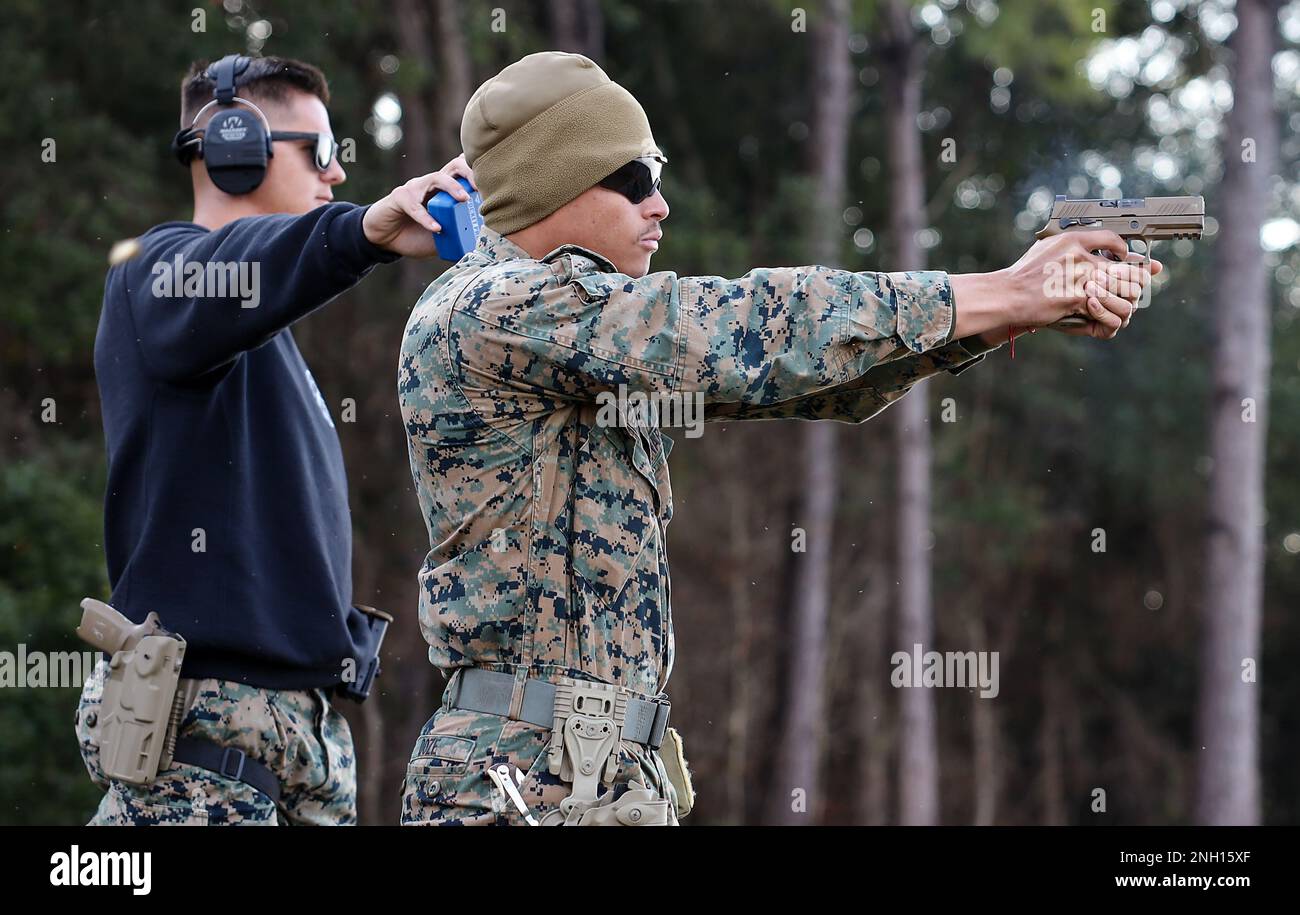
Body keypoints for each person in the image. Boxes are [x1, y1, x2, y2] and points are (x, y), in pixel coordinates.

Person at [396, 51, 1161, 826]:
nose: (660, 205)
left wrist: (1008, 312)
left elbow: (801, 379)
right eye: (633, 179)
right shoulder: (496, 307)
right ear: (552, 182)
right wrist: (1006, 290)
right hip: (524, 779)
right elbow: (752, 327)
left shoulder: (568, 337)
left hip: (581, 776)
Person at [75, 53, 473, 825]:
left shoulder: (265, 340)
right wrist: (363, 231)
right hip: (207, 762)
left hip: (292, 756)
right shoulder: (156, 279)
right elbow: (242, 276)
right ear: (234, 144)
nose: (334, 175)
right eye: (320, 151)